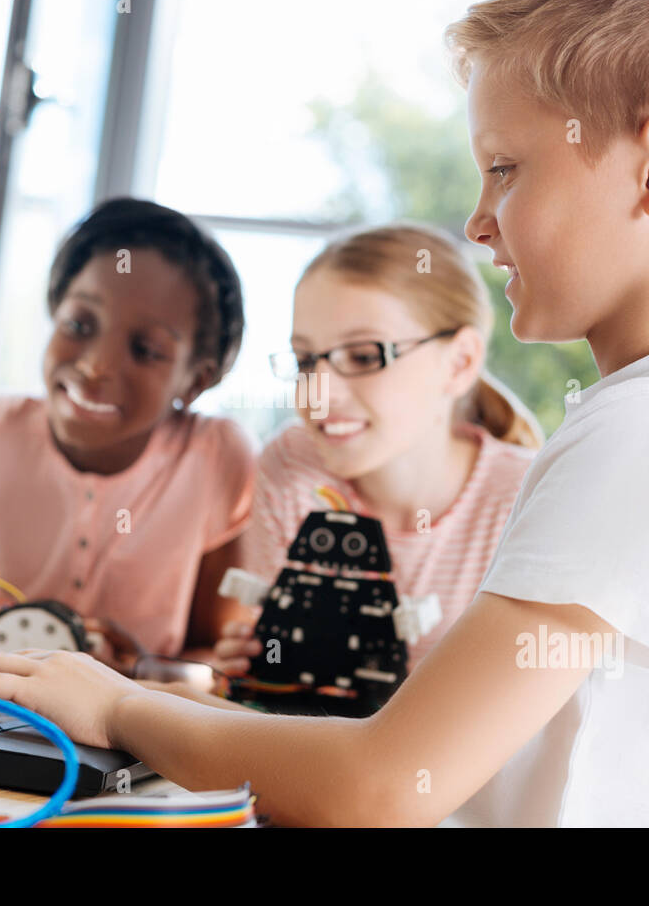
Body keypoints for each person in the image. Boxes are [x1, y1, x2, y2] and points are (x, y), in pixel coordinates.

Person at [0, 0, 649, 826]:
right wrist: (118, 697)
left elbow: (386, 787)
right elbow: (390, 754)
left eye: (506, 168)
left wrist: (125, 713)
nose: (477, 221)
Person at [0, 198, 255, 669]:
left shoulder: (214, 458)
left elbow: (222, 663)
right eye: (79, 324)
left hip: (125, 737)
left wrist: (142, 668)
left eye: (145, 350)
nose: (95, 364)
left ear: (196, 380)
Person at [211, 223, 541, 678]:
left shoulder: (526, 501)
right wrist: (259, 663)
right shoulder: (291, 467)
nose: (318, 394)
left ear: (460, 363)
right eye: (306, 360)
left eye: (365, 357)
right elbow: (277, 661)